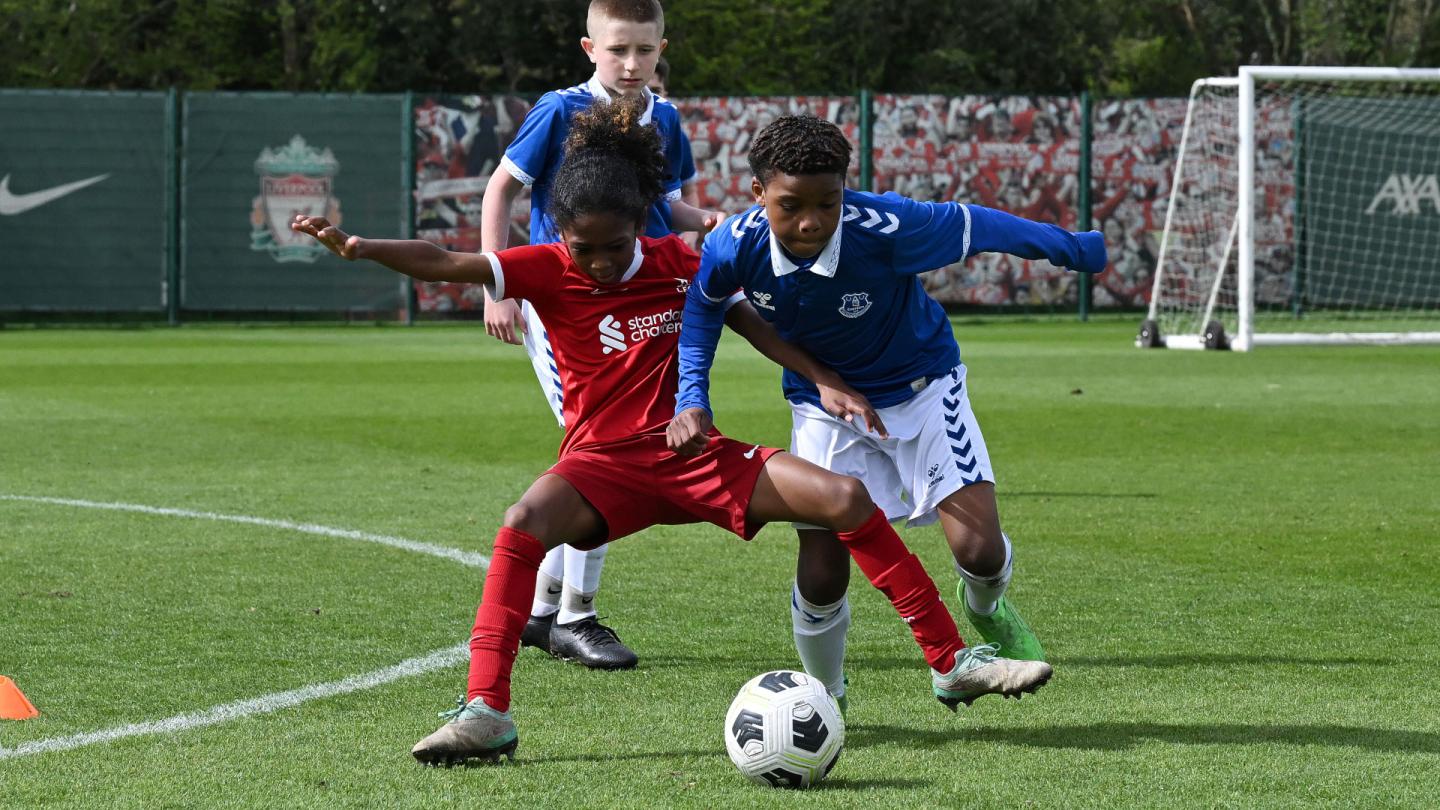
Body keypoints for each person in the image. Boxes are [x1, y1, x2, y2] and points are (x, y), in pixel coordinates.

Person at [292, 97, 1052, 766]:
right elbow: (446, 260)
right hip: (601, 467)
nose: (597, 263)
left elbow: (754, 326)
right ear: (561, 236)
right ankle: (486, 712)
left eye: (613, 246)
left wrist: (822, 378)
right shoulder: (544, 268)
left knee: (844, 499)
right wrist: (364, 249)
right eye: (582, 248)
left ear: (639, 226)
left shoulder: (680, 263)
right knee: (522, 522)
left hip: (697, 457)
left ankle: (951, 662)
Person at [671, 114, 1106, 710]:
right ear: (758, 193)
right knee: (822, 564)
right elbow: (704, 309)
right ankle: (825, 697)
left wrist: (1074, 249)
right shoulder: (733, 244)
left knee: (978, 553)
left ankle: (987, 609)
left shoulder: (887, 226)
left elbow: (980, 225)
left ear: (844, 192)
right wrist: (692, 397)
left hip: (923, 389)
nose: (810, 221)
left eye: (827, 203)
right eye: (790, 205)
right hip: (823, 408)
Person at [475, 0, 713, 670]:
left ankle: (546, 613)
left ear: (662, 47)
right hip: (568, 307)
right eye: (618, 50)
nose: (632, 63)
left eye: (645, 50)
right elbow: (500, 190)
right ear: (589, 48)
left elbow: (668, 207)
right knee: (602, 451)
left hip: (643, 306)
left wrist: (713, 225)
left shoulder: (665, 118)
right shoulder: (559, 110)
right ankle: (575, 617)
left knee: (609, 448)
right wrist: (499, 285)